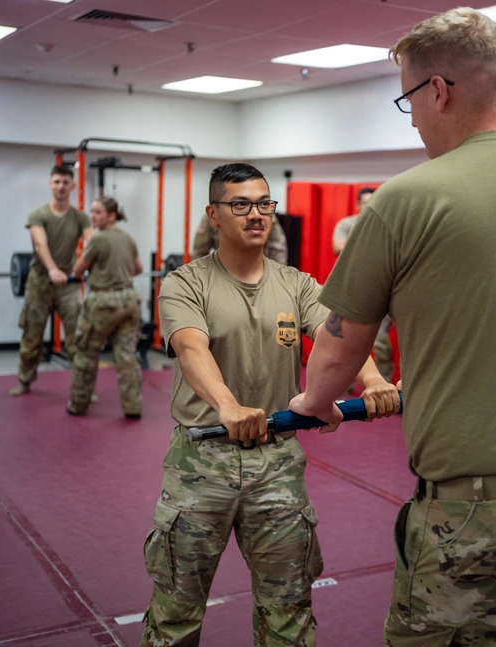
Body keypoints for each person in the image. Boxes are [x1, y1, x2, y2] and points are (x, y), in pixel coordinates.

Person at [289, 9, 496, 646]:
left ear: (437, 90)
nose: (412, 120)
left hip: (481, 507)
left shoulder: (405, 198)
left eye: (408, 100)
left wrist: (314, 403)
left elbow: (337, 348)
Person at [141, 163, 400, 647]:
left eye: (264, 204)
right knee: (175, 612)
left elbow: (336, 336)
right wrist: (227, 405)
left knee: (289, 611)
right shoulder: (185, 283)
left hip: (277, 463)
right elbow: (191, 348)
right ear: (214, 215)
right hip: (203, 461)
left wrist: (373, 379)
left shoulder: (297, 284)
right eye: (240, 204)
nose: (256, 214)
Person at [11, 165, 93, 396]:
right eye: (57, 182)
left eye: (65, 182)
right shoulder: (39, 214)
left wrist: (88, 265)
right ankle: (25, 381)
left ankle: (81, 389)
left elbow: (92, 243)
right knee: (31, 338)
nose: (61, 186)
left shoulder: (80, 217)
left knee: (78, 339)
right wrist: (52, 269)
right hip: (39, 283)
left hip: (68, 285)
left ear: (72, 186)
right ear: (50, 184)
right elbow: (40, 244)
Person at [65, 197, 143, 418]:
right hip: (129, 300)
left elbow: (78, 270)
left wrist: (80, 275)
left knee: (86, 353)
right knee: (127, 356)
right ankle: (133, 408)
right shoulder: (127, 238)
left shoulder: (98, 240)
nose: (93, 216)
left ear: (111, 215)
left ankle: (77, 405)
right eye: (92, 211)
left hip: (103, 302)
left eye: (98, 212)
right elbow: (138, 268)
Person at [333, 187, 396, 384]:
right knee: (343, 341)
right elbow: (339, 248)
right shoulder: (347, 224)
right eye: (366, 203)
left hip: (381, 293)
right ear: (358, 204)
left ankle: (386, 388)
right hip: (350, 293)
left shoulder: (387, 227)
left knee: (380, 343)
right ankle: (342, 385)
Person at [191, 210, 288, 264]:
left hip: (256, 272)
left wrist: (275, 277)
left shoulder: (264, 216)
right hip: (223, 269)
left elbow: (278, 249)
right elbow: (199, 252)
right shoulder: (214, 216)